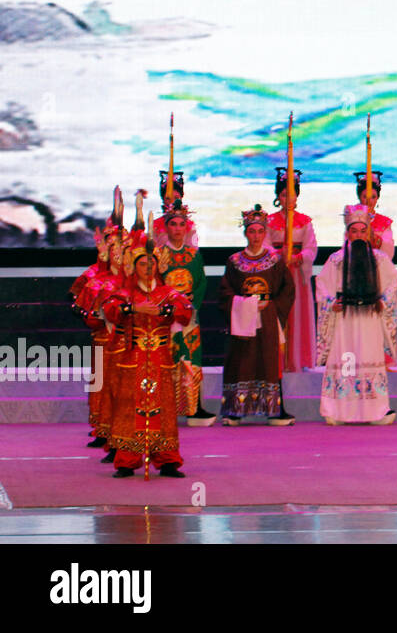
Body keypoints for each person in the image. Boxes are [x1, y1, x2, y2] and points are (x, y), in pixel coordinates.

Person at [101, 233, 194, 477]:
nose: (148, 268)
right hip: (133, 357)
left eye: (152, 263)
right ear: (134, 266)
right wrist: (134, 308)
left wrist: (167, 310)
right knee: (129, 407)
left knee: (163, 407)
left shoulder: (167, 292)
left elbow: (185, 310)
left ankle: (166, 460)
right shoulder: (126, 293)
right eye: (143, 263)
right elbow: (110, 309)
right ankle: (127, 460)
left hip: (160, 358)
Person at [315, 205, 397, 425]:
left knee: (369, 359)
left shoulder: (380, 259)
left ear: (369, 233)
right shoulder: (336, 260)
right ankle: (339, 410)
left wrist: (384, 301)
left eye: (363, 231)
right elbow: (322, 287)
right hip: (345, 321)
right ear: (347, 233)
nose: (359, 235)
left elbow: (393, 284)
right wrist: (331, 304)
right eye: (355, 231)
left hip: (370, 320)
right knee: (347, 362)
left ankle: (375, 411)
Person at [220, 205, 296, 425]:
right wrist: (246, 305)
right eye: (252, 231)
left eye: (260, 232)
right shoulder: (235, 261)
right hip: (242, 319)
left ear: (265, 233)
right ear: (246, 233)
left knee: (270, 360)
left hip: (268, 317)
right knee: (240, 360)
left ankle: (275, 409)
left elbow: (287, 289)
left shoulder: (275, 260)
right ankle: (235, 410)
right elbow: (225, 292)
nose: (255, 236)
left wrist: (271, 306)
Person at [70, 187, 126, 450]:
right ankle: (103, 429)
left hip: (127, 345)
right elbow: (81, 309)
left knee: (121, 389)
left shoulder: (132, 281)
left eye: (119, 247)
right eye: (110, 245)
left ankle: (120, 434)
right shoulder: (96, 279)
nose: (113, 251)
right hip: (103, 342)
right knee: (102, 386)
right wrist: (93, 316)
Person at [155, 200, 214, 425]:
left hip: (188, 316)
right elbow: (156, 283)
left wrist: (190, 306)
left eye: (182, 224)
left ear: (186, 228)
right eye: (173, 224)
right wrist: (169, 305)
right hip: (167, 317)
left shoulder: (194, 255)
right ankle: (164, 408)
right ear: (167, 228)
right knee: (167, 359)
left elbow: (200, 284)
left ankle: (193, 407)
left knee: (191, 357)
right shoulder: (159, 255)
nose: (178, 229)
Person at [266, 167, 317, 373]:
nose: (289, 198)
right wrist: (279, 257)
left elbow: (311, 247)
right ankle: (277, 360)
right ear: (278, 196)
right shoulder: (269, 221)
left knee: (298, 314)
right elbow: (267, 246)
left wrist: (298, 258)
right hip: (278, 274)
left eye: (292, 194)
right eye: (285, 194)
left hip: (296, 273)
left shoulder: (305, 221)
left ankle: (298, 358)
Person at [354, 170, 395, 260]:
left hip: (379, 264)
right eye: (365, 197)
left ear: (377, 198)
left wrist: (374, 238)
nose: (369, 201)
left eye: (373, 197)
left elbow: (388, 252)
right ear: (359, 197)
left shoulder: (385, 222)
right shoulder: (353, 219)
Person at [152, 170, 198, 248]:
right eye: (168, 198)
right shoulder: (155, 225)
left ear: (181, 198)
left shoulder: (189, 226)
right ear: (163, 199)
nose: (172, 202)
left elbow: (193, 253)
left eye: (176, 198)